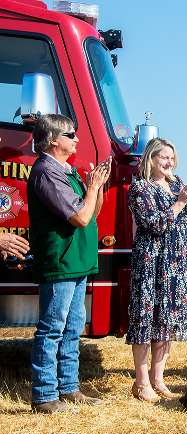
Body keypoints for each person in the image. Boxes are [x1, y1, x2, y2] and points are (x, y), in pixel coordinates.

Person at [26, 113, 110, 413]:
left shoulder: (67, 172)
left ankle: (69, 387)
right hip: (60, 263)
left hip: (76, 262)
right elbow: (80, 216)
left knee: (73, 327)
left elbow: (93, 214)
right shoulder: (47, 173)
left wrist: (96, 187)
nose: (76, 139)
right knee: (52, 328)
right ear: (52, 141)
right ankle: (45, 396)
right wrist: (90, 190)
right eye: (70, 134)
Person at [126, 138, 187, 403]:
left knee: (167, 320)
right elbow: (153, 223)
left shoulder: (176, 184)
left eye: (172, 158)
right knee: (146, 319)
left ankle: (158, 379)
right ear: (150, 159)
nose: (169, 163)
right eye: (164, 157)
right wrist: (178, 202)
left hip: (177, 262)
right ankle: (141, 384)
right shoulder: (140, 187)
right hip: (153, 262)